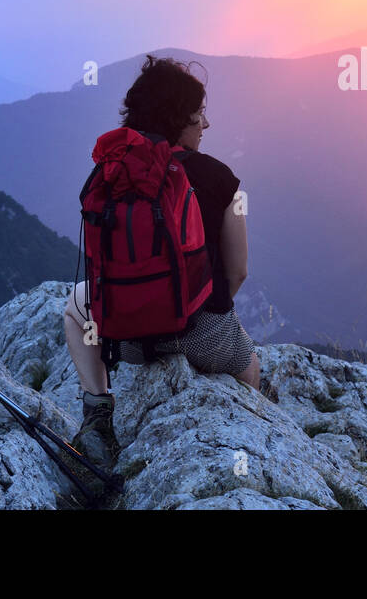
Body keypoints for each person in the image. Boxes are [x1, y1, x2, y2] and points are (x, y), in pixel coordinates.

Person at [63, 55, 260, 472]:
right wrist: (207, 311)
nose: (205, 125)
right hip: (202, 334)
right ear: (180, 118)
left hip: (127, 338)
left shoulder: (114, 170)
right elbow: (238, 270)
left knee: (74, 308)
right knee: (252, 375)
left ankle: (98, 410)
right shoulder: (222, 178)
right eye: (199, 114)